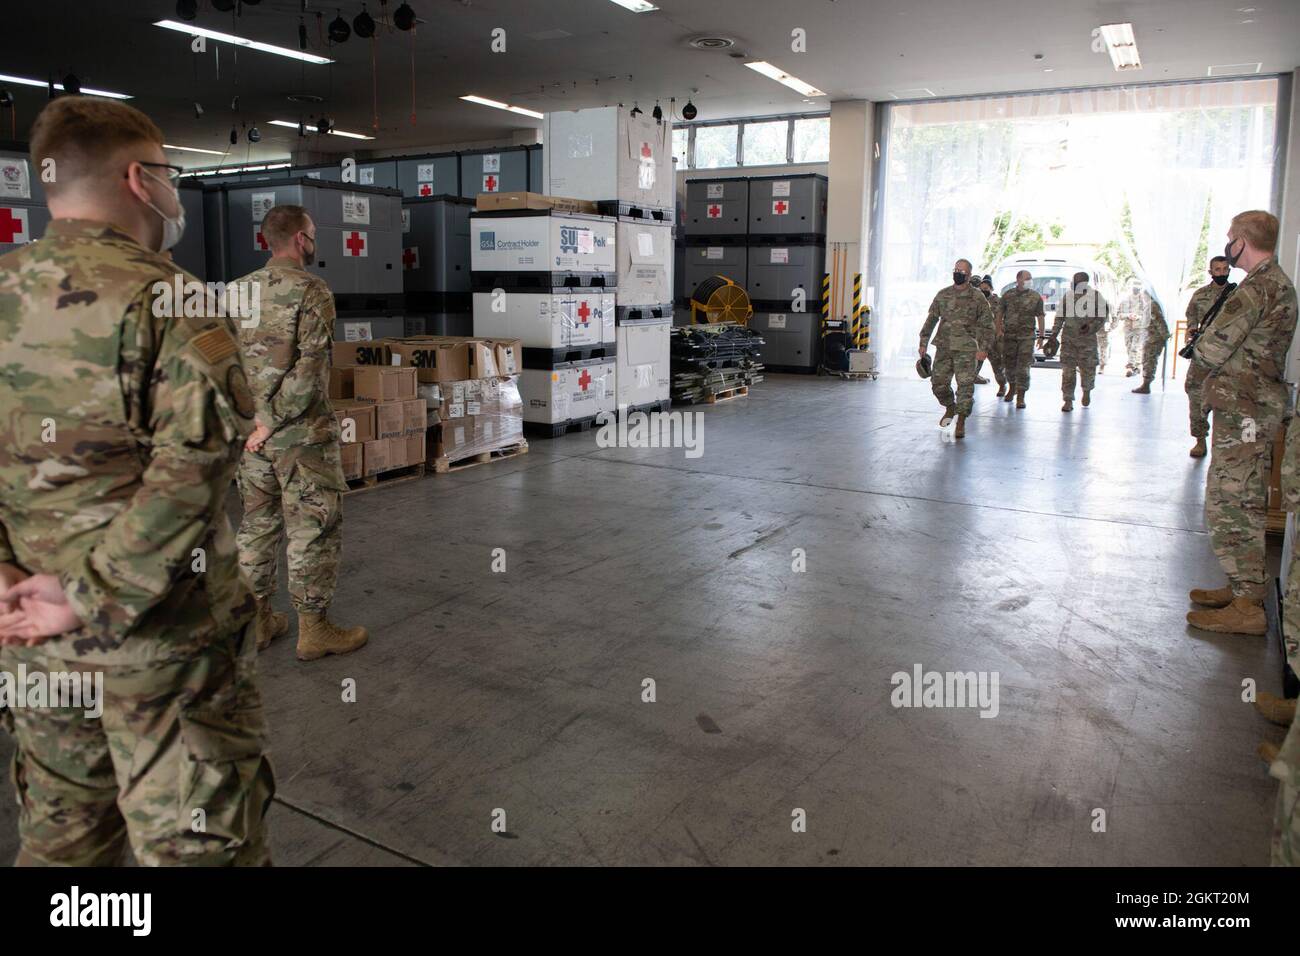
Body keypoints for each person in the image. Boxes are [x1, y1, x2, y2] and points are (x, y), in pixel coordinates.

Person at [0, 96, 273, 865]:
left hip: (31, 648)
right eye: (170, 173)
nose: (174, 192)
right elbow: (194, 469)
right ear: (139, 178)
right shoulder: (173, 299)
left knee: (63, 846)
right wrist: (83, 595)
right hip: (164, 654)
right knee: (197, 847)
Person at [235, 204, 368, 662]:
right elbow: (311, 368)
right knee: (312, 526)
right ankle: (313, 630)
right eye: (311, 235)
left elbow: (221, 369)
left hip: (251, 441)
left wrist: (250, 423)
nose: (313, 242)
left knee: (256, 525)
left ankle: (255, 623)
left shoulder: (233, 293)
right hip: (300, 437)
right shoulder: (312, 289)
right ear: (300, 240)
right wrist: (273, 419)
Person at [1187, 210, 1298, 636]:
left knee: (1232, 500)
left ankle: (1248, 604)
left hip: (1248, 410)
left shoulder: (1258, 288)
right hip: (1247, 406)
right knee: (1242, 496)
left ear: (1243, 241)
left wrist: (1203, 349)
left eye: (1231, 237)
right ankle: (1243, 587)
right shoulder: (1270, 282)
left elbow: (1212, 349)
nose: (1227, 243)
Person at [919, 258, 994, 440]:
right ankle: (950, 407)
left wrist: (984, 348)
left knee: (965, 386)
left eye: (962, 271)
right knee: (938, 383)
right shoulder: (943, 294)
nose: (958, 273)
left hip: (967, 350)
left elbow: (987, 325)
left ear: (968, 275)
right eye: (956, 270)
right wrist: (923, 342)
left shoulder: (978, 297)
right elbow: (931, 319)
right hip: (944, 347)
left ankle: (961, 420)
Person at [1184, 256, 1232, 458]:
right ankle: (1200, 440)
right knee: (1195, 393)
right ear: (1210, 272)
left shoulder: (1238, 295)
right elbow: (1191, 315)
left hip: (1229, 356)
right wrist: (1192, 328)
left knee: (1228, 399)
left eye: (1225, 269)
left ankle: (1225, 443)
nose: (1221, 273)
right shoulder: (1200, 294)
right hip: (1203, 355)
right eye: (1217, 270)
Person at [1048, 271, 1109, 412]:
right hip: (1068, 340)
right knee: (1068, 372)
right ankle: (1068, 400)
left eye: (1078, 281)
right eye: (1074, 281)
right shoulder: (1068, 296)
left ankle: (1086, 391)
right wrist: (1053, 335)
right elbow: (1059, 317)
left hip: (1087, 341)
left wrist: (1091, 327)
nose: (1075, 283)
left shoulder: (1096, 297)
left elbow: (1102, 316)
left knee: (1087, 370)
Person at [998, 270, 1045, 409]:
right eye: (1027, 278)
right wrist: (998, 330)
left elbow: (1040, 316)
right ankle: (1012, 387)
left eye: (1030, 278)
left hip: (1027, 337)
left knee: (1023, 367)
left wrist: (1041, 336)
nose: (1030, 280)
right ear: (1018, 279)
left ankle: (1021, 395)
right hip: (1009, 337)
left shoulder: (1035, 297)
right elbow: (1000, 313)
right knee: (1009, 365)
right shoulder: (1008, 295)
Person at [1131, 289, 1168, 394]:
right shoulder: (1151, 305)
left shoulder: (1152, 305)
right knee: (1148, 360)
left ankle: (1146, 384)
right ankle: (1146, 383)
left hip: (1153, 339)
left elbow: (1159, 321)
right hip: (1151, 338)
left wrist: (1165, 336)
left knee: (1149, 361)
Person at [1118, 279, 1146, 376]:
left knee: (1135, 347)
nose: (1136, 289)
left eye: (1137, 288)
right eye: (1134, 287)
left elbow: (1149, 315)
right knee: (1129, 347)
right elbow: (1119, 314)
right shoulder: (1125, 300)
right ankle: (1136, 366)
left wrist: (1139, 316)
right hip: (1128, 327)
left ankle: (1131, 366)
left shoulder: (1145, 301)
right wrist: (1128, 315)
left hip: (1139, 327)